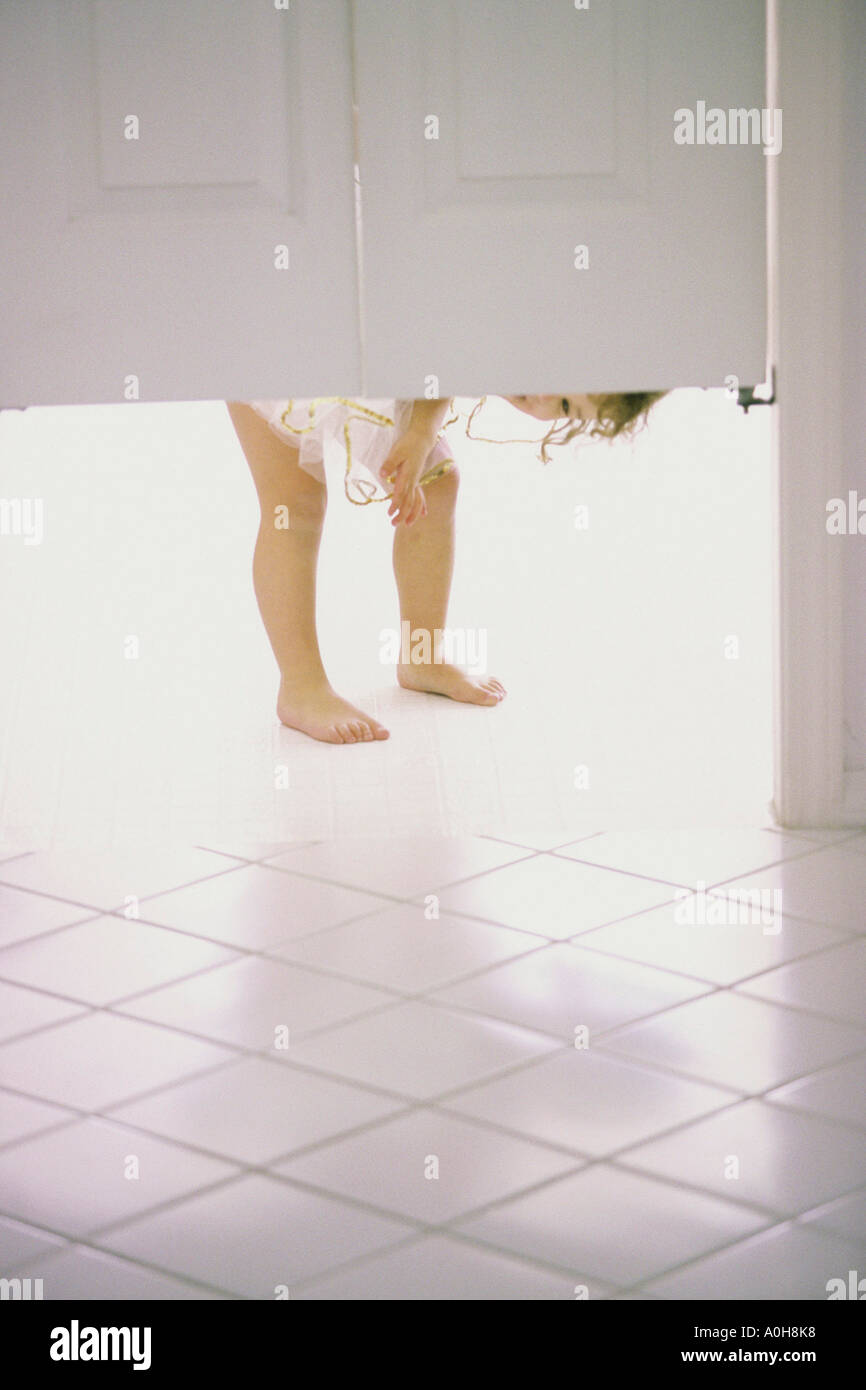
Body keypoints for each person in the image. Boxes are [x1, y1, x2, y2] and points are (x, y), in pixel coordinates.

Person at [226, 391, 667, 744]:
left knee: (437, 482)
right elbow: (441, 340)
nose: (545, 400)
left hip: (383, 358)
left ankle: (423, 658)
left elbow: (439, 359)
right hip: (292, 333)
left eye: (567, 407)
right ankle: (301, 687)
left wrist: (419, 435)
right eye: (563, 388)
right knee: (293, 507)